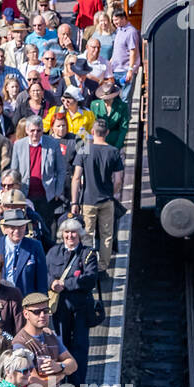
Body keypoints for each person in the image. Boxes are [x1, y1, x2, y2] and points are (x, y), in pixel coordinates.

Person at [47, 218, 99, 381]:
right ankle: (61, 380)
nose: (70, 236)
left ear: (80, 235)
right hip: (59, 307)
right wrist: (52, 283)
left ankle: (77, 382)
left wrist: (65, 284)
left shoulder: (88, 253)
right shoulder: (53, 252)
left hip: (80, 308)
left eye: (73, 232)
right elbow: (45, 272)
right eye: (67, 232)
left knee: (79, 345)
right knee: (60, 345)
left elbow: (90, 278)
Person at [71, 116, 124, 272]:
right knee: (106, 235)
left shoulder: (84, 149)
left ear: (92, 132)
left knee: (87, 234)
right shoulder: (113, 151)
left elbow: (76, 178)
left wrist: (74, 202)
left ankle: (87, 264)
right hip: (106, 199)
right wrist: (112, 193)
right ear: (107, 132)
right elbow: (119, 180)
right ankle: (102, 267)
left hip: (88, 199)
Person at [12, 115, 66, 229]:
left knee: (46, 227)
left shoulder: (53, 144)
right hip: (25, 194)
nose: (35, 134)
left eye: (38, 130)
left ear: (43, 130)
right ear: (26, 130)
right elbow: (14, 172)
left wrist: (58, 191)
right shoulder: (18, 145)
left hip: (46, 195)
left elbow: (61, 170)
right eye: (32, 130)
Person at [106, 7, 141, 106]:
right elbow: (117, 50)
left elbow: (133, 51)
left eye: (116, 20)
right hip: (116, 69)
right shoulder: (119, 30)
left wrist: (130, 70)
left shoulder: (131, 32)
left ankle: (126, 120)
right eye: (113, 20)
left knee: (125, 98)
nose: (114, 22)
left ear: (123, 18)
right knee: (115, 97)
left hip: (125, 70)